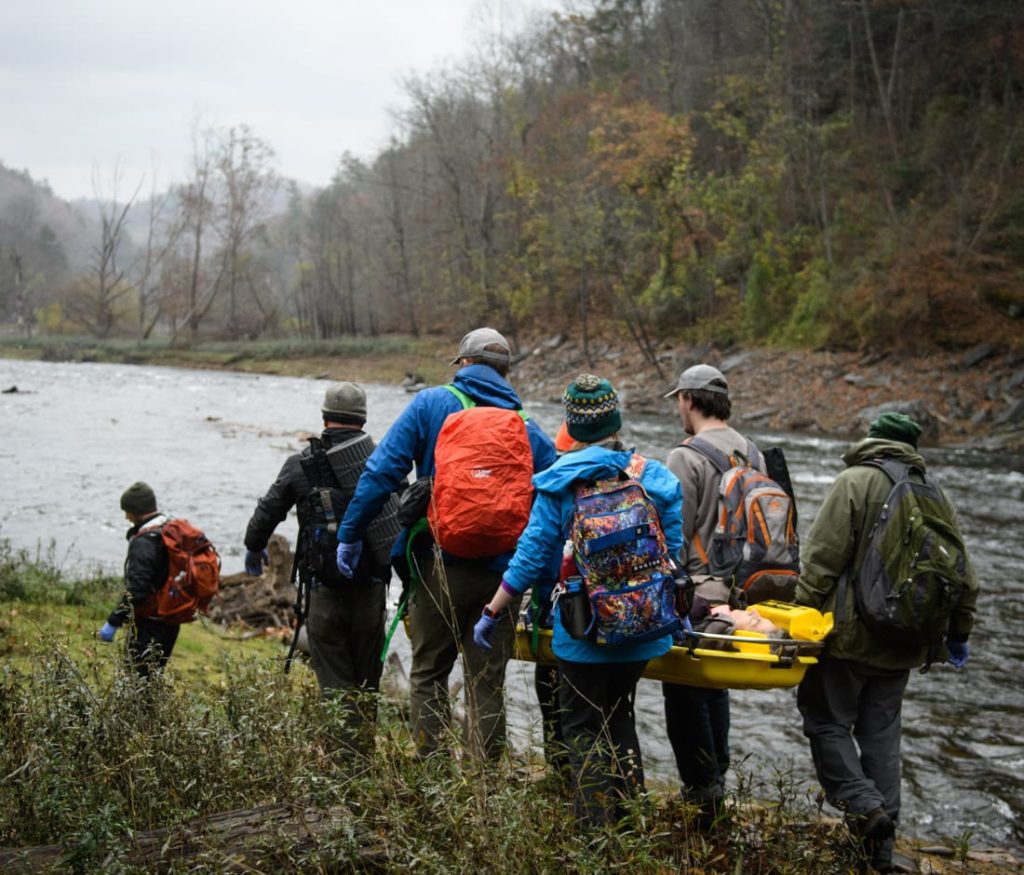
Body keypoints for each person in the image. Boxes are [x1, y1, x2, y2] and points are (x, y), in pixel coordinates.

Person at [335, 328, 557, 762]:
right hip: (502, 578)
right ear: (505, 372)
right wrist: (545, 585)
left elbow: (381, 471)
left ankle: (432, 776)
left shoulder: (430, 404)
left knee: (428, 672)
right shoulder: (526, 426)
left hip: (436, 563)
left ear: (464, 364)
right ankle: (484, 785)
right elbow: (554, 507)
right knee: (486, 682)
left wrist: (350, 532)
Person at [473, 375, 683, 826]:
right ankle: (631, 822)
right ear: (615, 421)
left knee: (583, 725)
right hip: (643, 627)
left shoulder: (559, 482)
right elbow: (674, 550)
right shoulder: (653, 478)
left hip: (582, 629)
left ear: (572, 425)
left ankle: (594, 830)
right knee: (620, 716)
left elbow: (530, 557)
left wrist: (493, 610)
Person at [794, 412, 980, 874]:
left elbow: (822, 558)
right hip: (906, 640)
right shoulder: (934, 493)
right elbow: (965, 576)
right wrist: (958, 633)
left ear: (872, 441)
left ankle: (864, 807)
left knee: (826, 721)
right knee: (881, 737)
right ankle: (878, 852)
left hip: (850, 638)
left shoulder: (855, 481)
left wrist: (800, 616)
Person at [243, 382, 391, 755]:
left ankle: (344, 763)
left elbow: (269, 509)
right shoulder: (383, 461)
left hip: (323, 593)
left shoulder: (301, 464)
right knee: (367, 682)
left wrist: (253, 545)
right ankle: (363, 760)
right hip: (372, 591)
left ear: (325, 419)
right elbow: (398, 521)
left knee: (335, 684)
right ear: (363, 420)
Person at [661, 363, 765, 826]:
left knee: (685, 690)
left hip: (699, 592)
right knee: (714, 683)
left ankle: (703, 793)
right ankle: (716, 780)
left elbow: (671, 535)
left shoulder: (685, 457)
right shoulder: (753, 452)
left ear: (689, 399)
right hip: (741, 593)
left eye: (678, 401)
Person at [97, 482, 177, 677]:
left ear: (137, 510)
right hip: (170, 619)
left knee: (137, 678)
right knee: (152, 675)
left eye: (128, 511)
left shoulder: (145, 542)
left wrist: (114, 621)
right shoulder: (168, 529)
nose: (126, 517)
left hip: (151, 623)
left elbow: (138, 589)